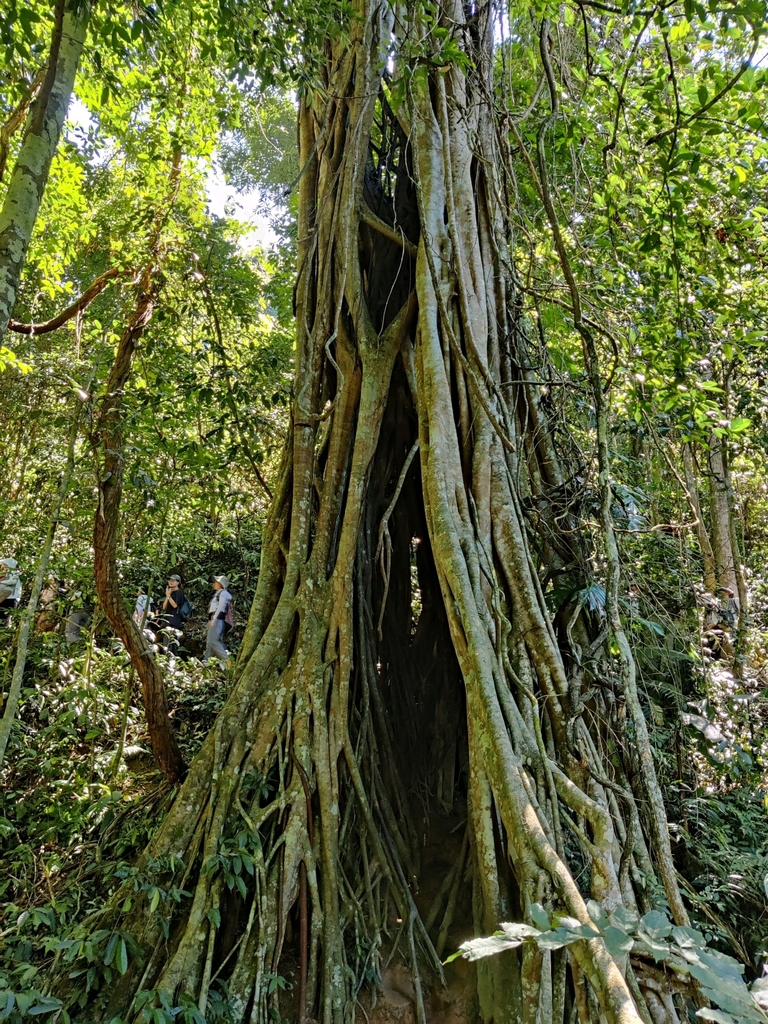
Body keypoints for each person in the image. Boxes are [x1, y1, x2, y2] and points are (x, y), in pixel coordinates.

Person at [204, 575, 232, 664]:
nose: (214, 583)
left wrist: (214, 619)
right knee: (210, 643)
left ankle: (228, 661)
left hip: (218, 619)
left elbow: (221, 607)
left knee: (214, 641)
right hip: (215, 619)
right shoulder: (219, 593)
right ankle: (205, 663)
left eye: (216, 582)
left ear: (221, 584)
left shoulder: (223, 593)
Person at [159, 574, 187, 655]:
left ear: (178, 582)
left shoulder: (179, 593)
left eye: (173, 580)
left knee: (171, 644)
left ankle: (171, 660)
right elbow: (164, 607)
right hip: (168, 621)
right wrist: (167, 596)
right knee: (168, 643)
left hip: (174, 622)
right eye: (169, 580)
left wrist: (168, 596)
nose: (170, 582)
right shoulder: (170, 593)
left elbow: (175, 605)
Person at [0, 557, 22, 626]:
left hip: (11, 599)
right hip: (7, 599)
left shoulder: (14, 574)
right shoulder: (8, 574)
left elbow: (12, 581)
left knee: (4, 617)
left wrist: (2, 582)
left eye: (5, 566)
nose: (4, 568)